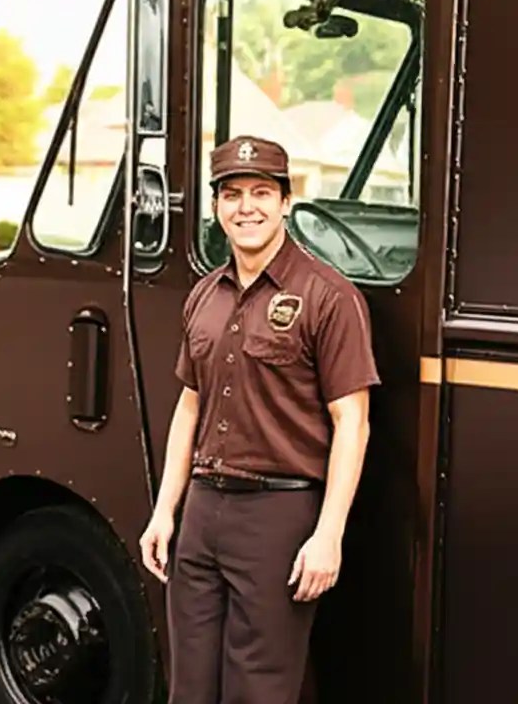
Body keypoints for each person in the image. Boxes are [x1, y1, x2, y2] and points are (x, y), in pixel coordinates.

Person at [138, 134, 380, 704]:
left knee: (260, 691)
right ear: (217, 205)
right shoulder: (204, 296)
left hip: (279, 517)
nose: (246, 207)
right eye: (232, 194)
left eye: (262, 193)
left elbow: (353, 423)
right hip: (201, 514)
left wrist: (328, 534)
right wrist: (165, 511)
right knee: (189, 690)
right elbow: (189, 406)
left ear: (286, 202)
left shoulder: (328, 297)